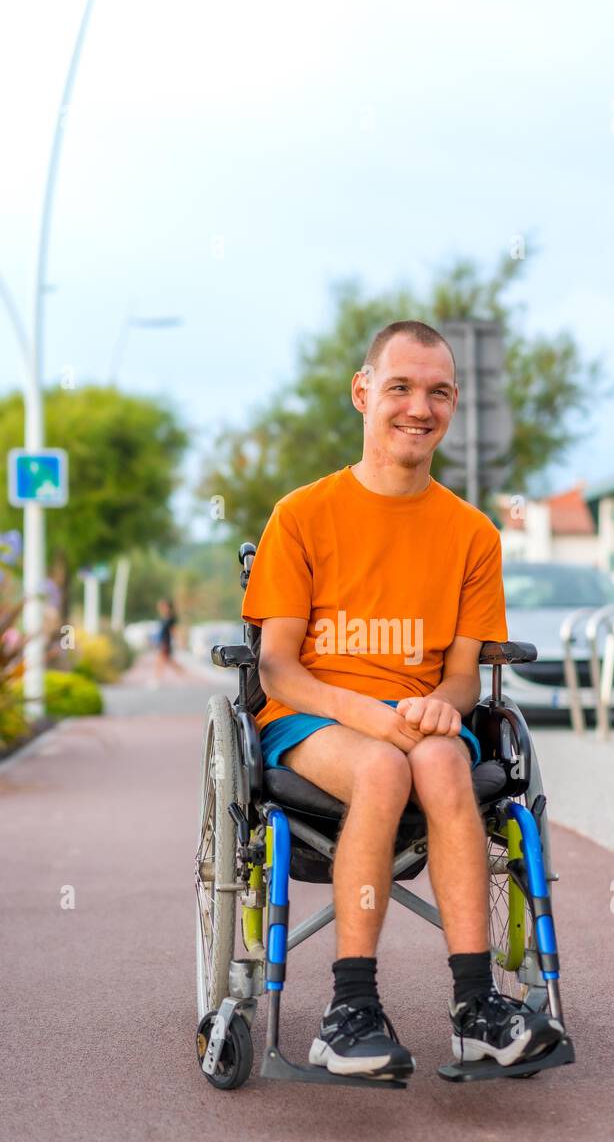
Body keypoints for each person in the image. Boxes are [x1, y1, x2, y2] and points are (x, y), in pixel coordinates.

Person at [241, 321, 565, 1078]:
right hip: (313, 718)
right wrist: (372, 720)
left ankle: (477, 1006)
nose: (420, 407)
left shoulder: (471, 535)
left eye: (438, 392)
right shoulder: (302, 515)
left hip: (419, 723)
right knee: (386, 769)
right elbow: (278, 667)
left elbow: (459, 675)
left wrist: (443, 709)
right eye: (401, 387)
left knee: (447, 764)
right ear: (363, 393)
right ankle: (348, 1011)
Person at [152, 598, 187, 684]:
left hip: (165, 643)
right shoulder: (163, 617)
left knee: (159, 661)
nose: (161, 608)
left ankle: (156, 679)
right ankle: (182, 672)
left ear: (168, 607)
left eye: (163, 606)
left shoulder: (170, 618)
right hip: (161, 642)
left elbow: (173, 631)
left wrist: (179, 641)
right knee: (168, 661)